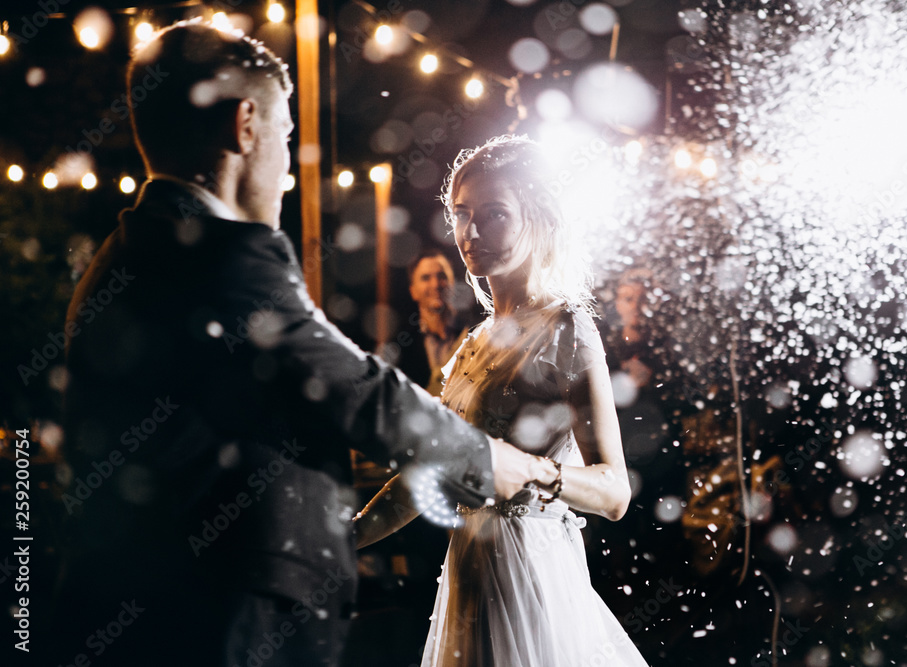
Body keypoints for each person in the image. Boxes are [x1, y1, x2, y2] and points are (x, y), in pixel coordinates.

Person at [50, 22, 543, 667]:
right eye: (285, 137)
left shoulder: (130, 249)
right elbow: (354, 387)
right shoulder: (220, 254)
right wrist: (484, 456)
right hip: (218, 618)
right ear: (245, 125)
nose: (286, 166)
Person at [354, 135, 649, 666]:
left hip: (532, 571)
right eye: (461, 214)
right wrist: (347, 537)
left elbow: (615, 491)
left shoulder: (566, 328)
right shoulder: (473, 342)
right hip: (469, 570)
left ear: (537, 217)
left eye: (493, 214)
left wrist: (535, 472)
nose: (469, 232)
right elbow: (427, 474)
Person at [396, 250, 469, 397]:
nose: (435, 284)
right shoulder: (400, 346)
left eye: (442, 276)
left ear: (453, 284)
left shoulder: (474, 332)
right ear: (413, 291)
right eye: (425, 278)